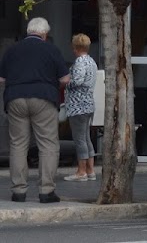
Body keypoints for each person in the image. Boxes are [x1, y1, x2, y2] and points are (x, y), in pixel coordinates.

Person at [0, 18, 69, 203]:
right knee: (47, 144)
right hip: (44, 98)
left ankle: (18, 191)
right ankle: (46, 191)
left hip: (15, 98)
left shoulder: (12, 50)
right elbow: (65, 79)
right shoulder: (51, 49)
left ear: (28, 32)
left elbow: (1, 79)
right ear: (44, 34)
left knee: (18, 144)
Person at [63, 33, 97, 182]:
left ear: (75, 47)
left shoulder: (79, 62)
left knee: (79, 139)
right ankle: (91, 170)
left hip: (78, 105)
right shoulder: (91, 61)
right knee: (86, 138)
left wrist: (65, 83)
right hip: (88, 104)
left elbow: (77, 81)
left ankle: (81, 171)